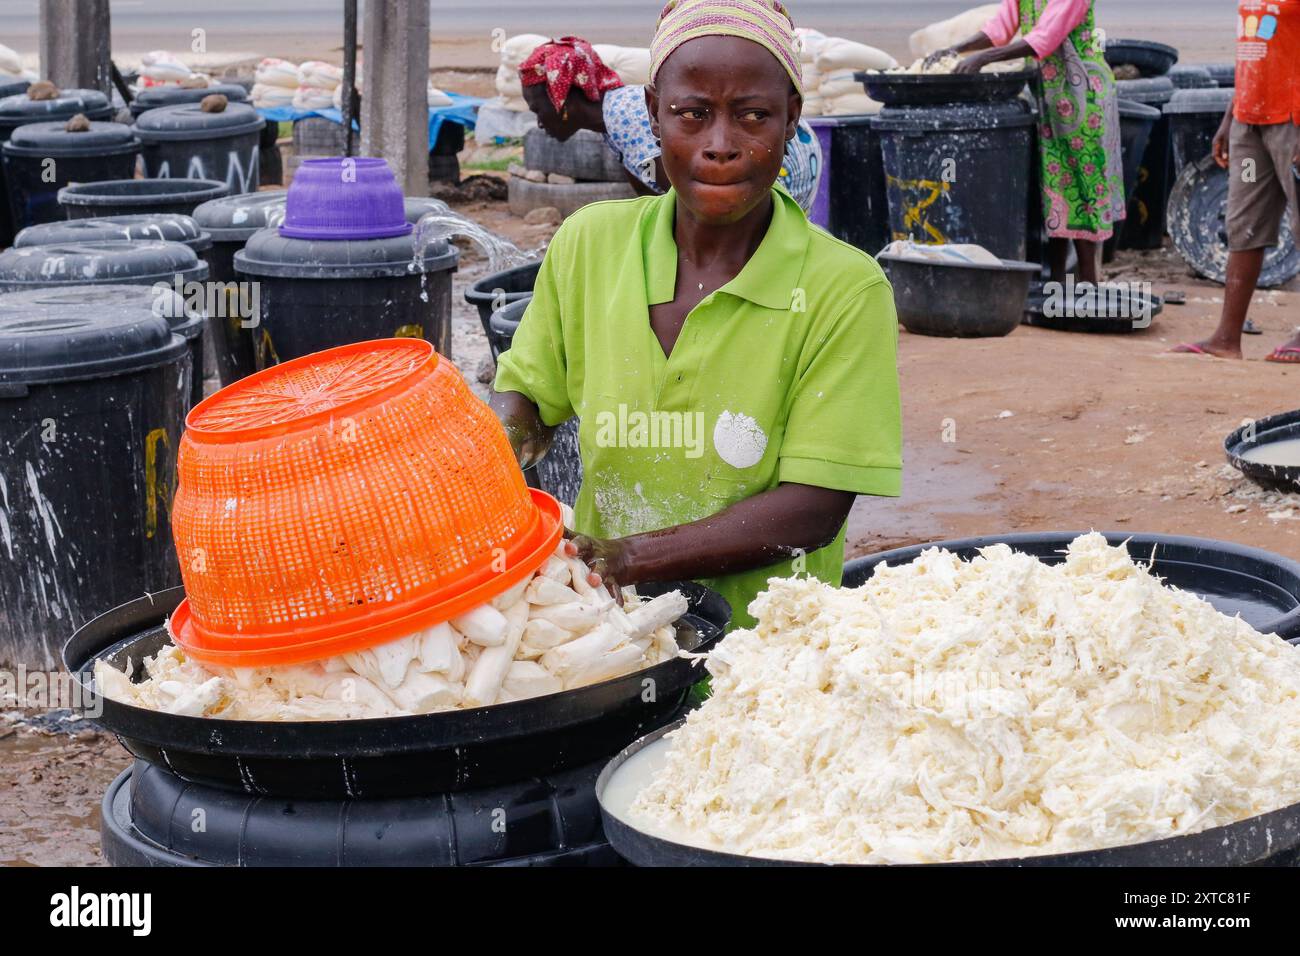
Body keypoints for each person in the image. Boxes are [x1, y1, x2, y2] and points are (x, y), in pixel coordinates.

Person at [492, 0, 901, 630]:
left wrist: (626, 557)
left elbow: (813, 508)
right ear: (654, 112)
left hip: (766, 650)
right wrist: (486, 465)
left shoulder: (843, 289)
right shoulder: (589, 244)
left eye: (753, 116)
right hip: (611, 636)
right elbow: (527, 397)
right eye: (692, 114)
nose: (720, 147)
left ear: (792, 118)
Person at [931, 0, 1126, 286]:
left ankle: (1089, 284)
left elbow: (1044, 38)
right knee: (1056, 188)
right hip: (1049, 95)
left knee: (1084, 187)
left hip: (1083, 94)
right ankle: (1057, 282)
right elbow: (999, 28)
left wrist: (983, 58)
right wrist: (957, 49)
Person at [518, 34, 823, 212]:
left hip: (783, 180)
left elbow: (687, 205)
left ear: (562, 103)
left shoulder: (628, 121)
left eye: (538, 109)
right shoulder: (618, 118)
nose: (540, 123)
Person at [1173, 0, 1300, 361]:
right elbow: (1253, 56)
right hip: (1250, 126)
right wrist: (1232, 116)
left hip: (1292, 122)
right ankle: (1226, 338)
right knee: (1244, 223)